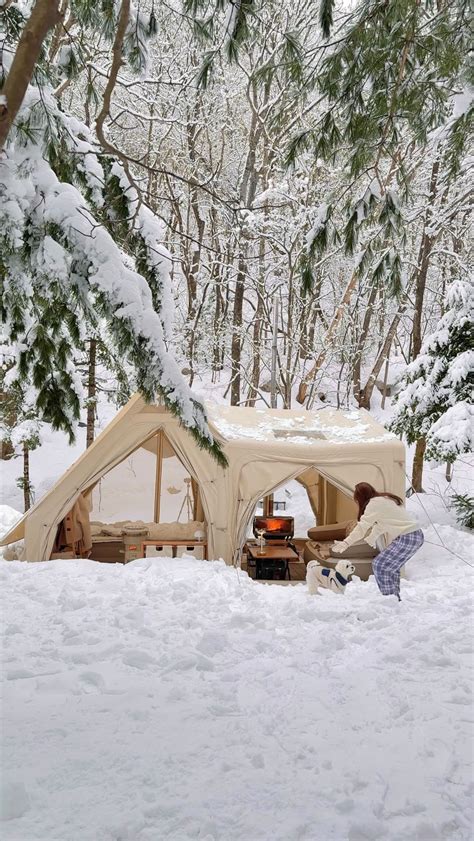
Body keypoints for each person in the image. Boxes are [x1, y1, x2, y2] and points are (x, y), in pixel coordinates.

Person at [332, 482, 423, 600]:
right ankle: (394, 599)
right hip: (413, 535)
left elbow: (362, 527)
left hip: (408, 536)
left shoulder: (373, 504)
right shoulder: (384, 499)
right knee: (390, 568)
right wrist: (372, 537)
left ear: (360, 497)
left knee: (379, 565)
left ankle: (390, 599)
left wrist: (346, 542)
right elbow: (383, 523)